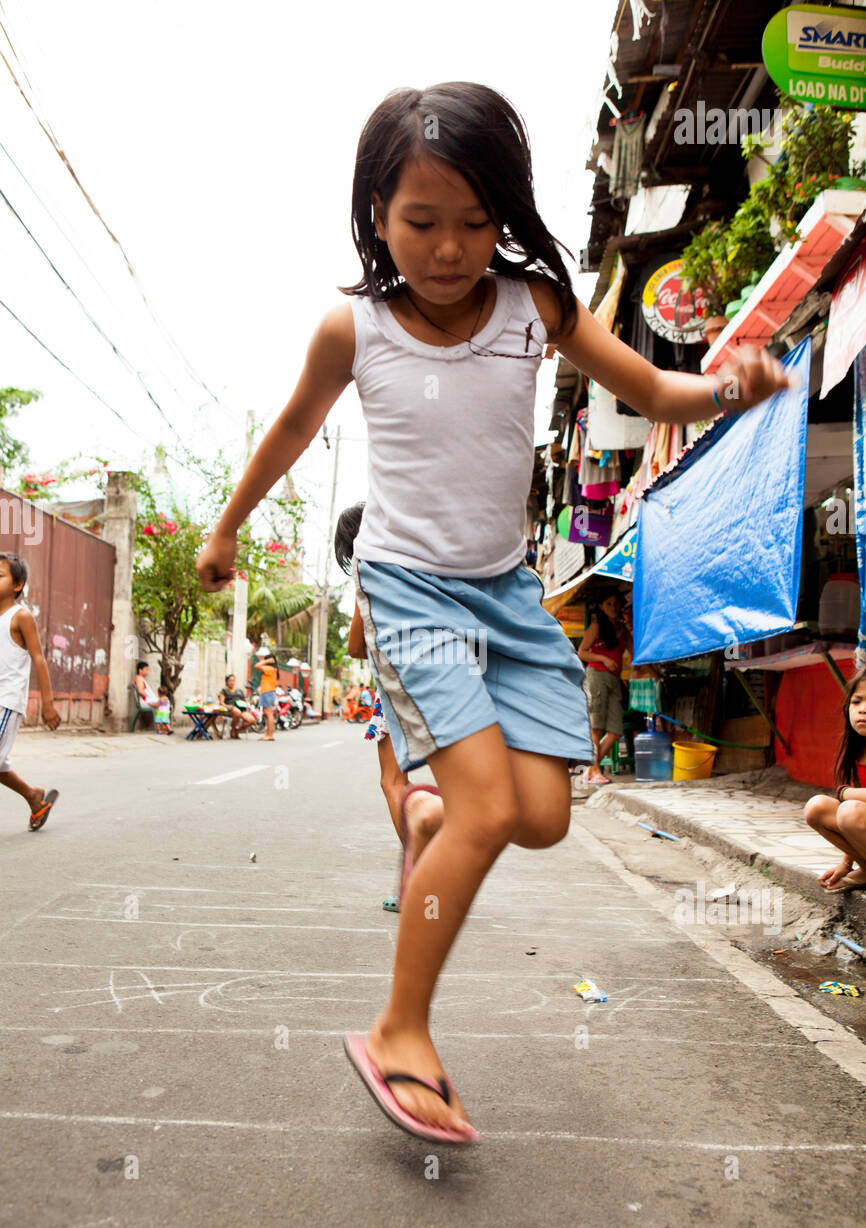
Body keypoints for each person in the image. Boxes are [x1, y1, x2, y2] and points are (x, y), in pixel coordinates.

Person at [196, 81, 789, 1142]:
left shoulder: (536, 307)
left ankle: (428, 819)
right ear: (376, 212)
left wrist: (728, 388)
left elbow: (653, 394)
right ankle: (398, 1030)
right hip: (408, 587)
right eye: (421, 222)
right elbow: (291, 430)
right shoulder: (355, 329)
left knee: (543, 817)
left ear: (505, 216)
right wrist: (227, 528)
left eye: (475, 222)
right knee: (481, 810)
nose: (448, 248)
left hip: (506, 588)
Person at [335, 501, 445, 913]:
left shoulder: (373, 574)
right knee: (450, 775)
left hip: (398, 686)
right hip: (444, 681)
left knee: (392, 782)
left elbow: (353, 646)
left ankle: (423, 872)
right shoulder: (421, 564)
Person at [0, 553, 60, 829]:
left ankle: (34, 797)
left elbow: (38, 657)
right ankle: (34, 797)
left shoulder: (20, 616)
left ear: (17, 584)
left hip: (5, 701)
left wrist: (48, 704)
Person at [805, 672, 866, 891]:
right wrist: (846, 862)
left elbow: (854, 808)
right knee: (817, 807)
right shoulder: (857, 751)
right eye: (856, 701)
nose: (863, 709)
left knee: (849, 810)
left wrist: (844, 793)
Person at [578, 590, 632, 785]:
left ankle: (591, 768)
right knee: (597, 726)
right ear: (601, 607)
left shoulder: (622, 630)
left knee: (616, 730)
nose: (613, 607)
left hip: (614, 679)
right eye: (608, 603)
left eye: (616, 603)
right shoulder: (597, 626)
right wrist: (604, 658)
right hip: (597, 676)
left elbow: (635, 652)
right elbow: (582, 652)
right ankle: (596, 770)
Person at [219, 673, 256, 739]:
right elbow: (221, 703)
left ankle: (237, 731)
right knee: (237, 712)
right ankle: (233, 729)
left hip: (241, 709)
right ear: (227, 682)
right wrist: (228, 706)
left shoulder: (239, 691)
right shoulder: (224, 691)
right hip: (230, 709)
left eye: (233, 680)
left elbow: (246, 700)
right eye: (230, 681)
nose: (232, 682)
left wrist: (248, 704)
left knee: (252, 720)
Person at [254, 648, 278, 741]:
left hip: (267, 692)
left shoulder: (269, 668)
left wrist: (267, 660)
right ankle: (268, 734)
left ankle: (270, 735)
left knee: (268, 714)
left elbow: (256, 665)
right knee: (269, 714)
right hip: (270, 692)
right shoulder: (273, 669)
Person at [134, 660, 160, 727]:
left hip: (147, 700)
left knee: (164, 702)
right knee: (162, 702)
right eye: (146, 669)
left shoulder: (141, 678)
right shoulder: (139, 678)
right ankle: (161, 725)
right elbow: (140, 691)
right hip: (144, 701)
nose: (147, 672)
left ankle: (162, 725)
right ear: (140, 670)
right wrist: (149, 697)